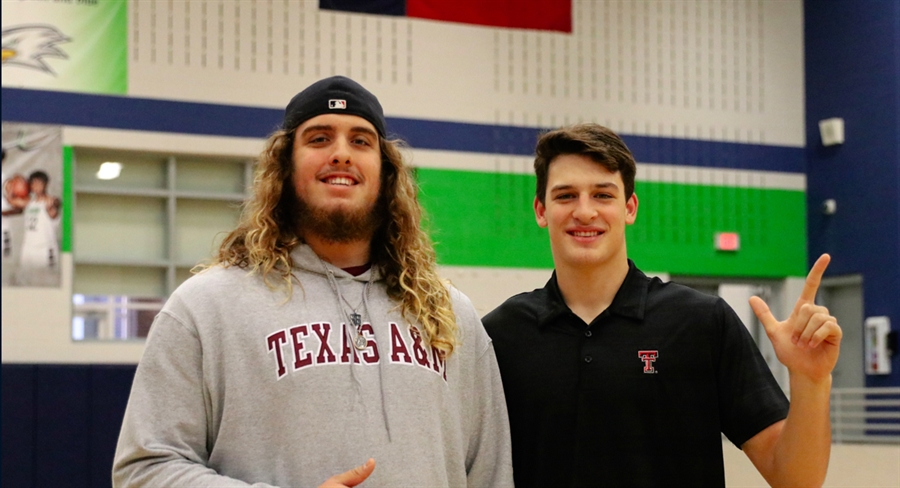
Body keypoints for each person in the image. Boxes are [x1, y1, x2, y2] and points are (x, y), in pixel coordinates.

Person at [113, 76, 513, 488]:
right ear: (285, 167)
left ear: (386, 171)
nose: (341, 154)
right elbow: (145, 469)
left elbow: (490, 475)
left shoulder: (451, 315)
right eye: (319, 138)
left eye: (360, 141)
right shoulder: (205, 308)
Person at [483, 123, 842, 487]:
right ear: (541, 210)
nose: (585, 211)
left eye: (603, 195)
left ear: (630, 207)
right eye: (566, 196)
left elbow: (797, 478)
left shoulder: (702, 323)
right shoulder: (500, 336)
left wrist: (810, 382)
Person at [15, 169, 61, 287]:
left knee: (47, 282)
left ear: (45, 184)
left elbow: (56, 204)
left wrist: (53, 205)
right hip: (28, 247)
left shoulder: (51, 201)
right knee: (26, 282)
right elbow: (14, 201)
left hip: (45, 248)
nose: (36, 186)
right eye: (33, 183)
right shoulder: (30, 203)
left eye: (39, 183)